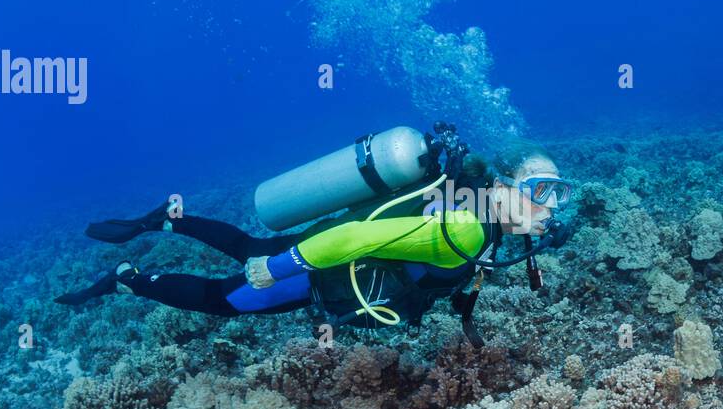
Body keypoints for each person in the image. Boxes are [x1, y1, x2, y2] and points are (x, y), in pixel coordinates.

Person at [55, 139, 573, 340]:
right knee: (224, 300)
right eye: (541, 190)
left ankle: (166, 221)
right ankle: (128, 279)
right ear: (503, 186)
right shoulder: (463, 227)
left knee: (250, 246)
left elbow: (468, 275)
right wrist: (284, 269)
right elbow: (352, 235)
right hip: (324, 268)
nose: (551, 206)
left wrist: (466, 321)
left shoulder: (482, 219)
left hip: (328, 256)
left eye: (558, 193)